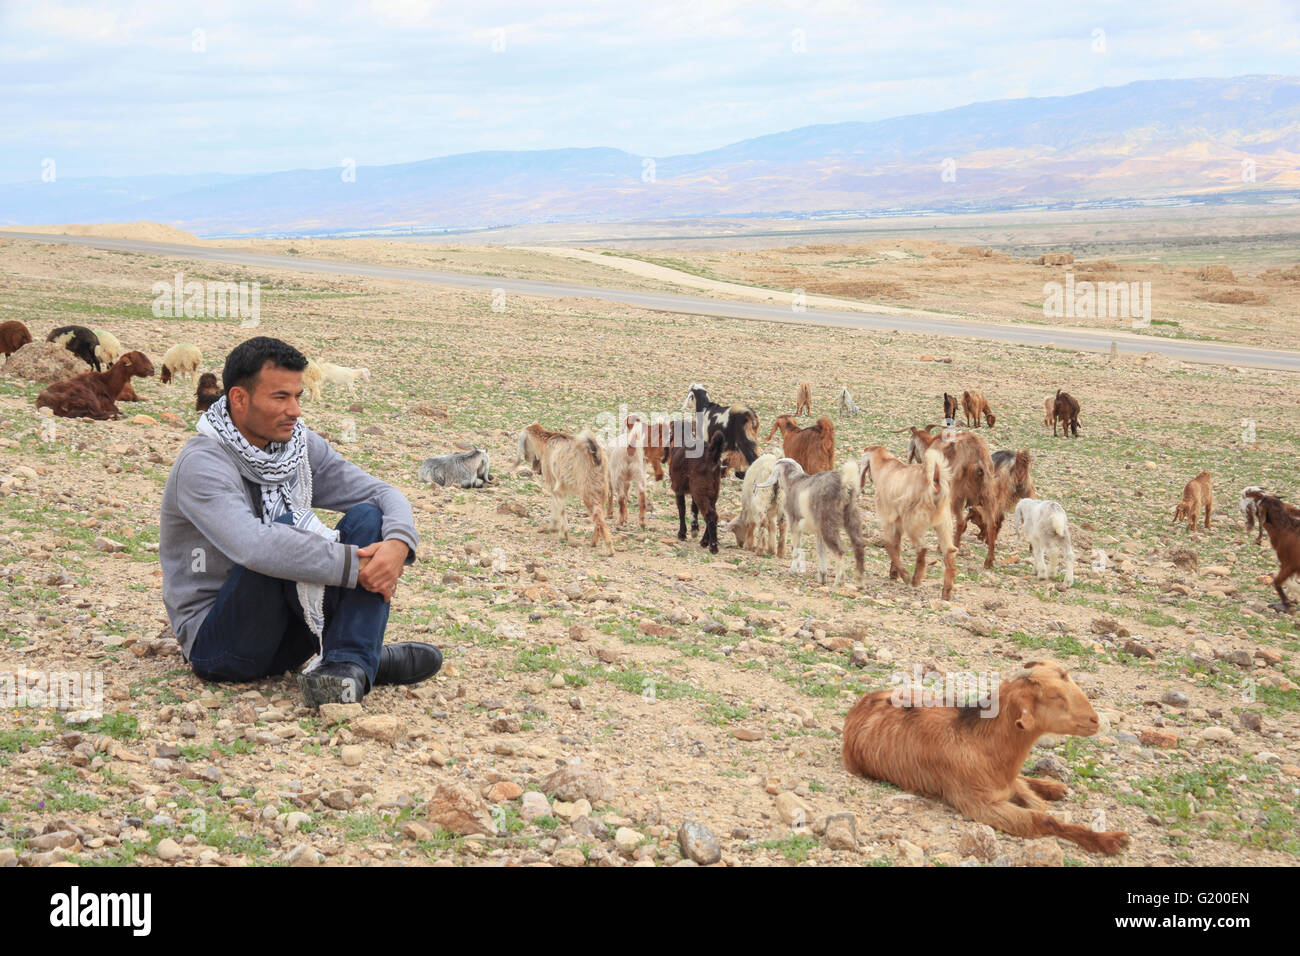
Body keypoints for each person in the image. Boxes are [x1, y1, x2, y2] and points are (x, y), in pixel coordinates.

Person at [159, 336, 440, 707]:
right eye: (280, 397)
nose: (295, 410)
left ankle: (347, 665)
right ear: (239, 399)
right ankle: (364, 655)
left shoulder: (296, 446)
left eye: (297, 397)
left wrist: (398, 545)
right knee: (286, 529)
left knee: (370, 518)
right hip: (221, 645)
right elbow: (253, 546)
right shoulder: (203, 464)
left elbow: (381, 494)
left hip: (287, 639)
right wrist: (357, 567)